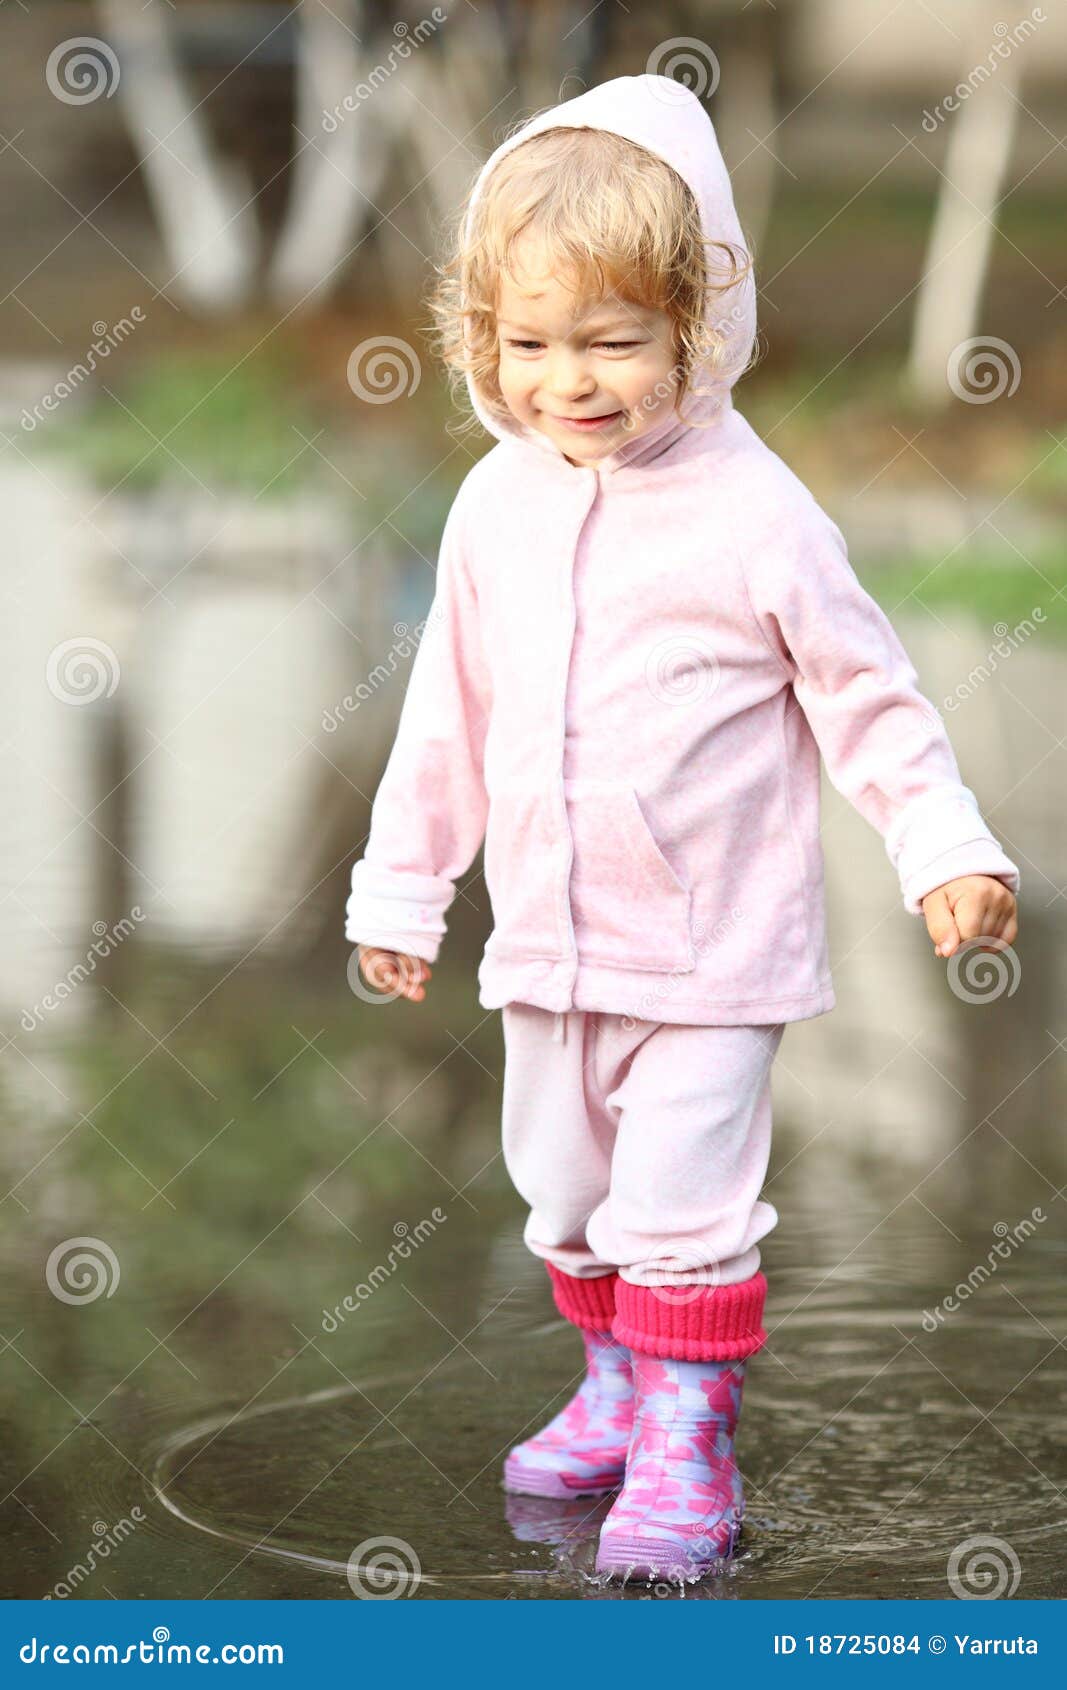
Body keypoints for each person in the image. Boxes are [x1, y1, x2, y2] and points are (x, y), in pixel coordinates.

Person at [344, 74, 1020, 1583]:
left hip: (718, 949)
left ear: (695, 327)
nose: (566, 382)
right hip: (549, 945)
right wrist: (403, 891)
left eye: (612, 342)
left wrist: (946, 846)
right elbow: (444, 716)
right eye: (529, 345)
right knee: (568, 1193)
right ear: (482, 343)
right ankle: (613, 1385)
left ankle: (688, 1440)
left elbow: (872, 696)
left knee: (680, 1207)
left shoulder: (755, 514)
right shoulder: (491, 512)